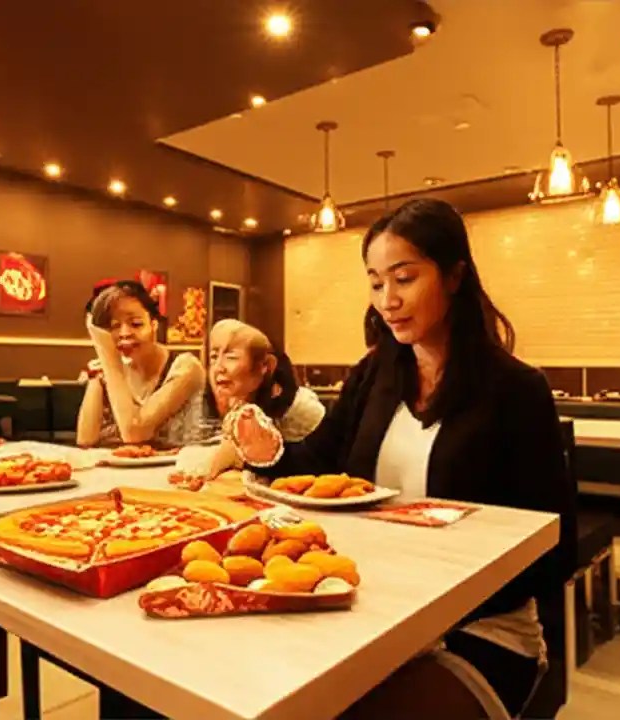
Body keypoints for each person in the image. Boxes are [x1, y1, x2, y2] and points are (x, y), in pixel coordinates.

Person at [228, 198, 576, 717]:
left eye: (404, 278)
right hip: (374, 608)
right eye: (375, 283)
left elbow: (556, 545)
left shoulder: (515, 389)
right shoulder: (374, 376)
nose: (387, 300)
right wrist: (266, 452)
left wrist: (437, 599)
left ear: (454, 276)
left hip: (482, 628)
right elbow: (317, 463)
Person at [76, 280, 206, 448]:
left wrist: (107, 356)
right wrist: (98, 374)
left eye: (136, 324)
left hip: (181, 470)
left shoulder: (185, 367)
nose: (124, 334)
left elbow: (134, 432)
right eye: (114, 326)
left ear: (154, 325)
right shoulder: (114, 369)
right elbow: (85, 440)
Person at [199, 319, 324, 479]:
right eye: (214, 357)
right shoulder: (236, 406)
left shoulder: (303, 408)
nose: (218, 368)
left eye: (231, 357)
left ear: (266, 365)